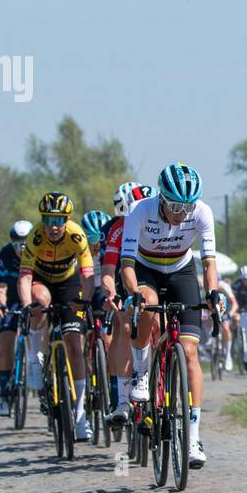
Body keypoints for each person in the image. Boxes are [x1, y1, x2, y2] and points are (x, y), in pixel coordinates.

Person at [120, 163, 219, 468]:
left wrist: (213, 294)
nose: (181, 213)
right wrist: (134, 292)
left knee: (189, 351)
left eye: (186, 207)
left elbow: (208, 262)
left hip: (180, 270)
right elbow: (125, 262)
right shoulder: (140, 211)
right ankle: (141, 371)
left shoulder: (201, 212)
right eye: (175, 206)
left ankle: (192, 436)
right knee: (147, 302)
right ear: (161, 199)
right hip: (146, 268)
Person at [17, 193, 96, 438]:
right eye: (48, 219)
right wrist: (28, 305)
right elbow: (25, 276)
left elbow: (87, 275)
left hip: (68, 283)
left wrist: (84, 302)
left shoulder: (76, 234)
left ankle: (80, 413)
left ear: (66, 220)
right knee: (40, 301)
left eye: (58, 220)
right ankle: (34, 358)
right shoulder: (35, 236)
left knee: (74, 342)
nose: (53, 225)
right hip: (42, 281)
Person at [96, 180, 155, 425]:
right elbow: (109, 269)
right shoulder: (118, 229)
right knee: (124, 326)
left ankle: (162, 380)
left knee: (159, 319)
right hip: (124, 278)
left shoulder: (158, 224)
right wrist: (111, 294)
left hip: (150, 277)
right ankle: (122, 400)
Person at [0, 220, 33, 416]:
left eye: (24, 243)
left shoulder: (38, 250)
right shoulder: (6, 254)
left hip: (33, 295)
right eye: (17, 244)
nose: (21, 248)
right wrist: (1, 305)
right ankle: (5, 392)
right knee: (5, 341)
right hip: (12, 298)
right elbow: (1, 286)